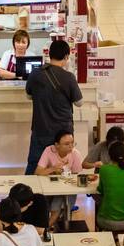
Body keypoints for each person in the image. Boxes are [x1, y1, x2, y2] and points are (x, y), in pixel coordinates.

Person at [24, 39, 82, 175]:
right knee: (64, 169)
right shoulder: (69, 77)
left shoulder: (35, 74)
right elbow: (79, 102)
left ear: (49, 55)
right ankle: (61, 196)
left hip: (41, 129)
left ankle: (31, 195)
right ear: (67, 57)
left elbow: (28, 96)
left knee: (35, 166)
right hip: (63, 133)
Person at [36, 128, 87, 228]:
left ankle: (44, 229)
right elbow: (38, 172)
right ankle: (45, 228)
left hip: (68, 189)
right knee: (40, 203)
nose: (71, 146)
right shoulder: (48, 150)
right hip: (50, 188)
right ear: (57, 145)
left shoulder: (75, 153)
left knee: (57, 206)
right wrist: (53, 169)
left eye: (72, 143)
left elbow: (76, 175)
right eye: (66, 144)